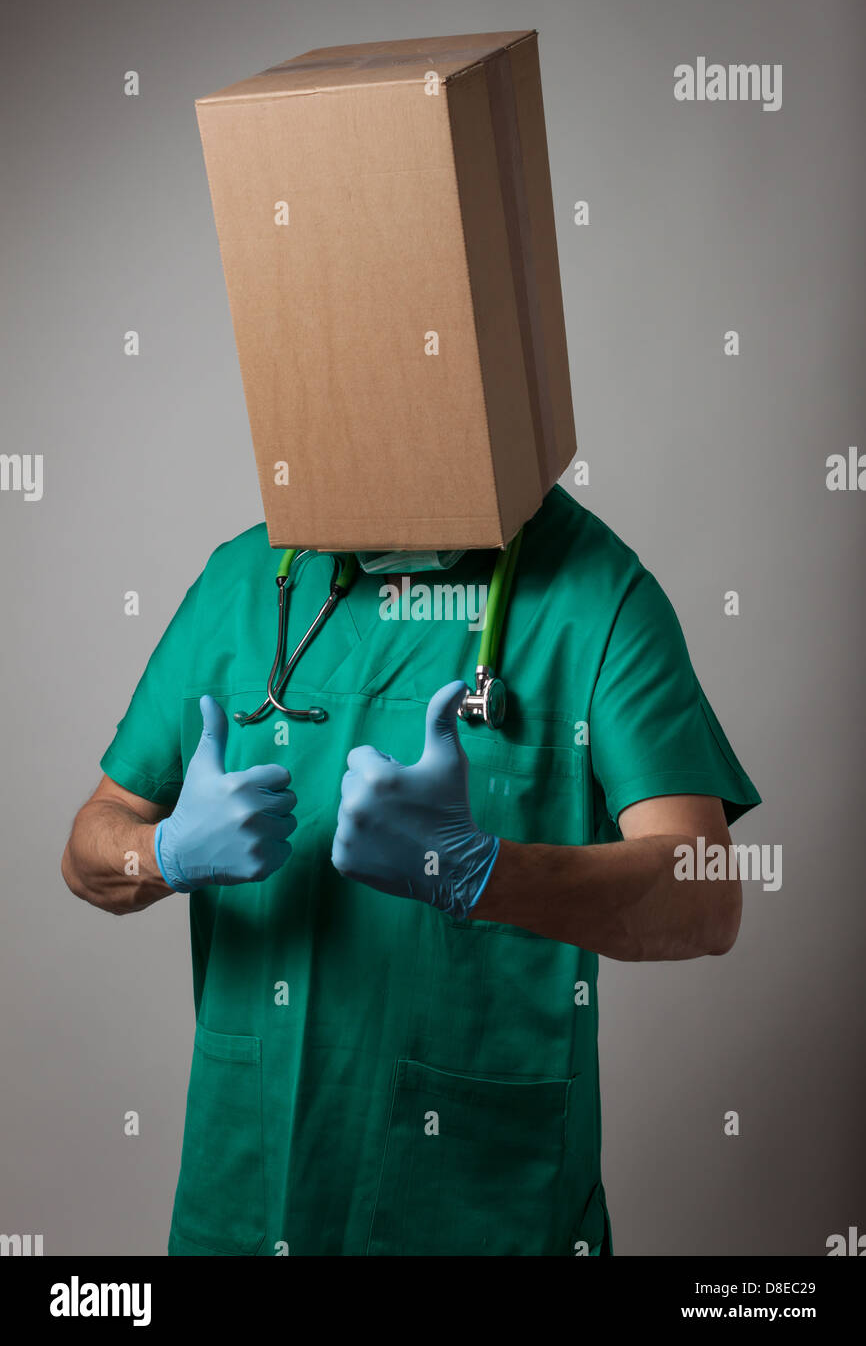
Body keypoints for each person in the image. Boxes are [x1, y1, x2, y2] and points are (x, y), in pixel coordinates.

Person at [61, 483, 760, 1256]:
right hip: (247, 1193)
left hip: (485, 1202)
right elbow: (89, 846)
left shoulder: (594, 593)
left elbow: (703, 898)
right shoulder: (241, 584)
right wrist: (161, 855)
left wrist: (481, 871)